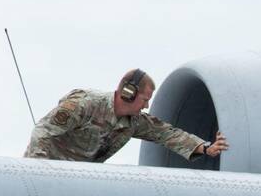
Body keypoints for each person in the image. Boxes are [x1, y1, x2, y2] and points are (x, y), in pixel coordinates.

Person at [24, 67, 228, 164]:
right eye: (144, 99)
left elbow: (165, 133)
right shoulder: (83, 104)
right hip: (46, 176)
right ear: (128, 94)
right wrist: (39, 174)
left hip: (77, 180)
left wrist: (205, 147)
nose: (147, 105)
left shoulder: (133, 122)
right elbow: (42, 133)